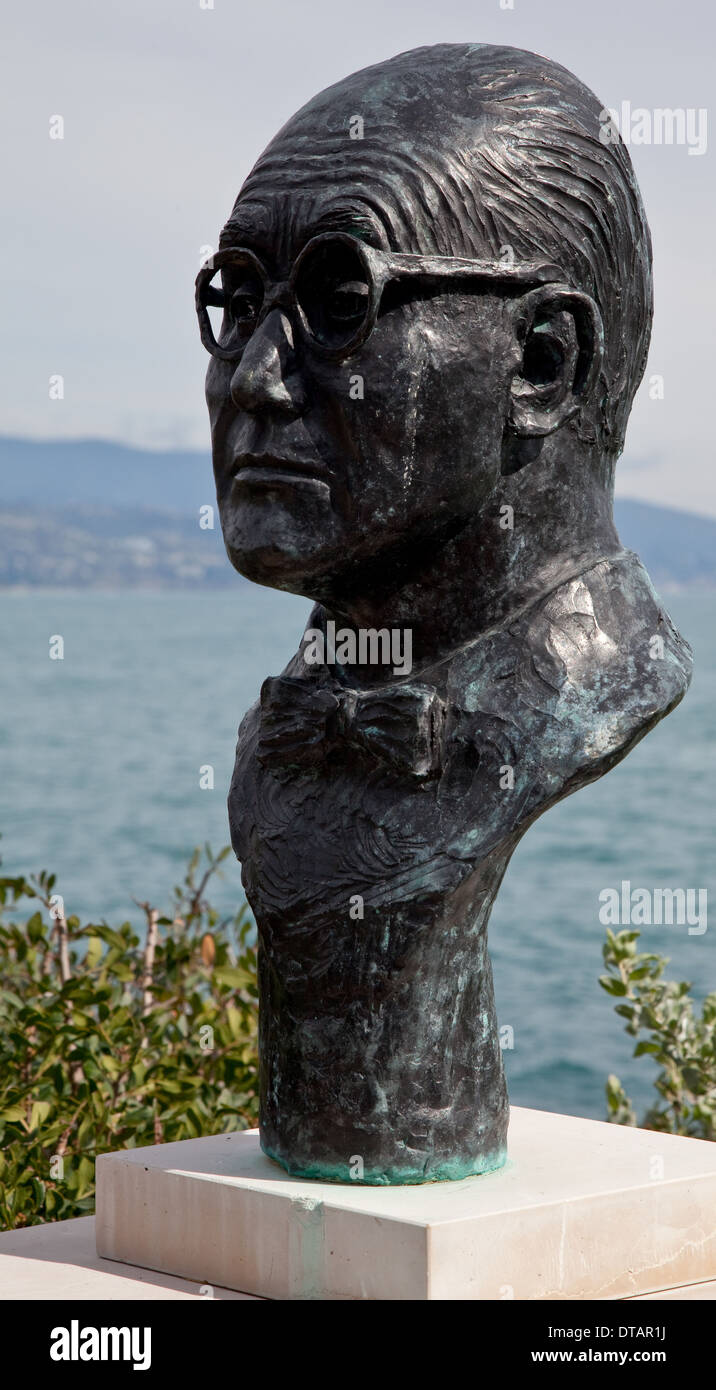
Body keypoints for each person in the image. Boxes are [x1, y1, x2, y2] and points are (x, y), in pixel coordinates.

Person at [197, 44, 692, 1184]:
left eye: (336, 299)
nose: (254, 376)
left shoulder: (582, 693)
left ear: (542, 364)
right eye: (233, 300)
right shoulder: (309, 705)